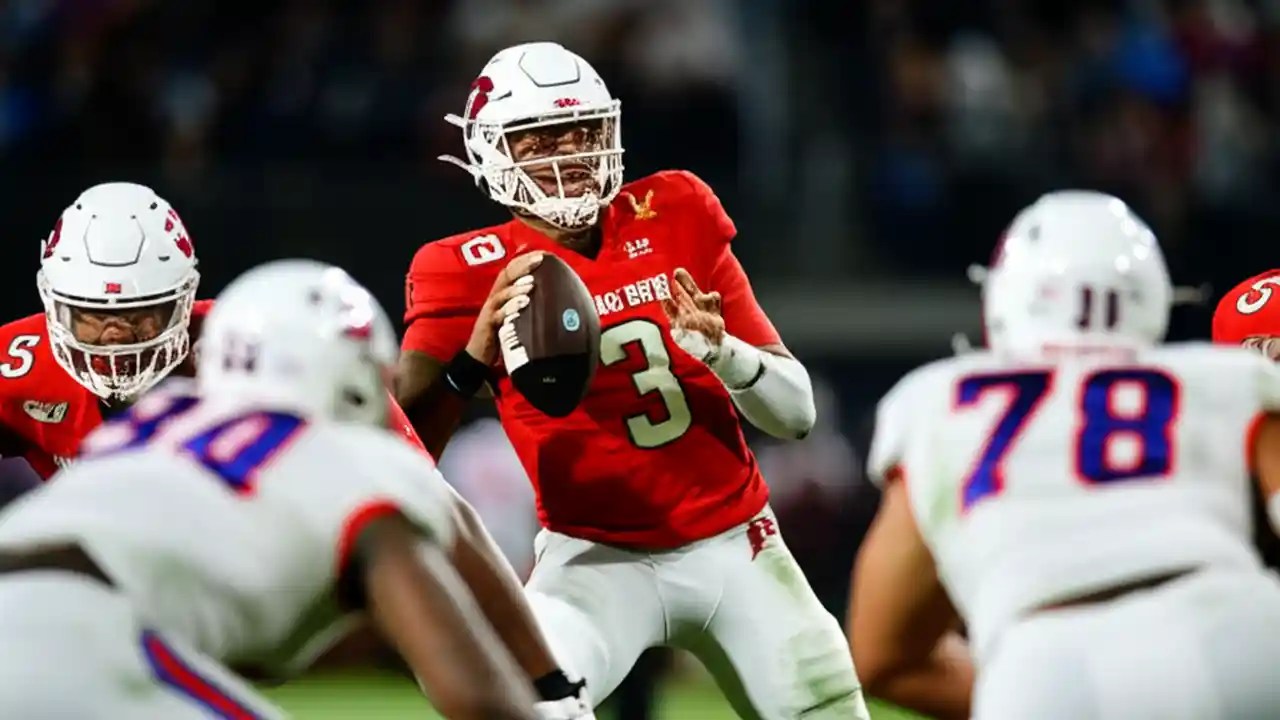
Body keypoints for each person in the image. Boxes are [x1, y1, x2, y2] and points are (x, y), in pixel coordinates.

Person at [398, 41, 865, 718]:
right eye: (540, 139)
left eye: (584, 132)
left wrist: (723, 353)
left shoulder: (674, 210)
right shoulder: (464, 269)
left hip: (738, 544)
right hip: (594, 561)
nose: (570, 155)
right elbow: (401, 453)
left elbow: (795, 416)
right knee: (531, 710)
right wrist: (471, 359)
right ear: (492, 151)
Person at [0, 259, 539, 719]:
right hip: (93, 628)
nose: (117, 338)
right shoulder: (339, 466)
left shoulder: (157, 422)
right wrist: (550, 688)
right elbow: (477, 696)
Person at [848, 191, 1280, 720]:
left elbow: (882, 655)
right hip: (1240, 631)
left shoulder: (938, 399)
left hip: (1047, 658)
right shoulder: (1223, 376)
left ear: (1005, 293)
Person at [0, 181, 207, 480]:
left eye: (136, 314)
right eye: (95, 314)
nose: (115, 336)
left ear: (182, 304)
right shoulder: (18, 361)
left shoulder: (239, 339)